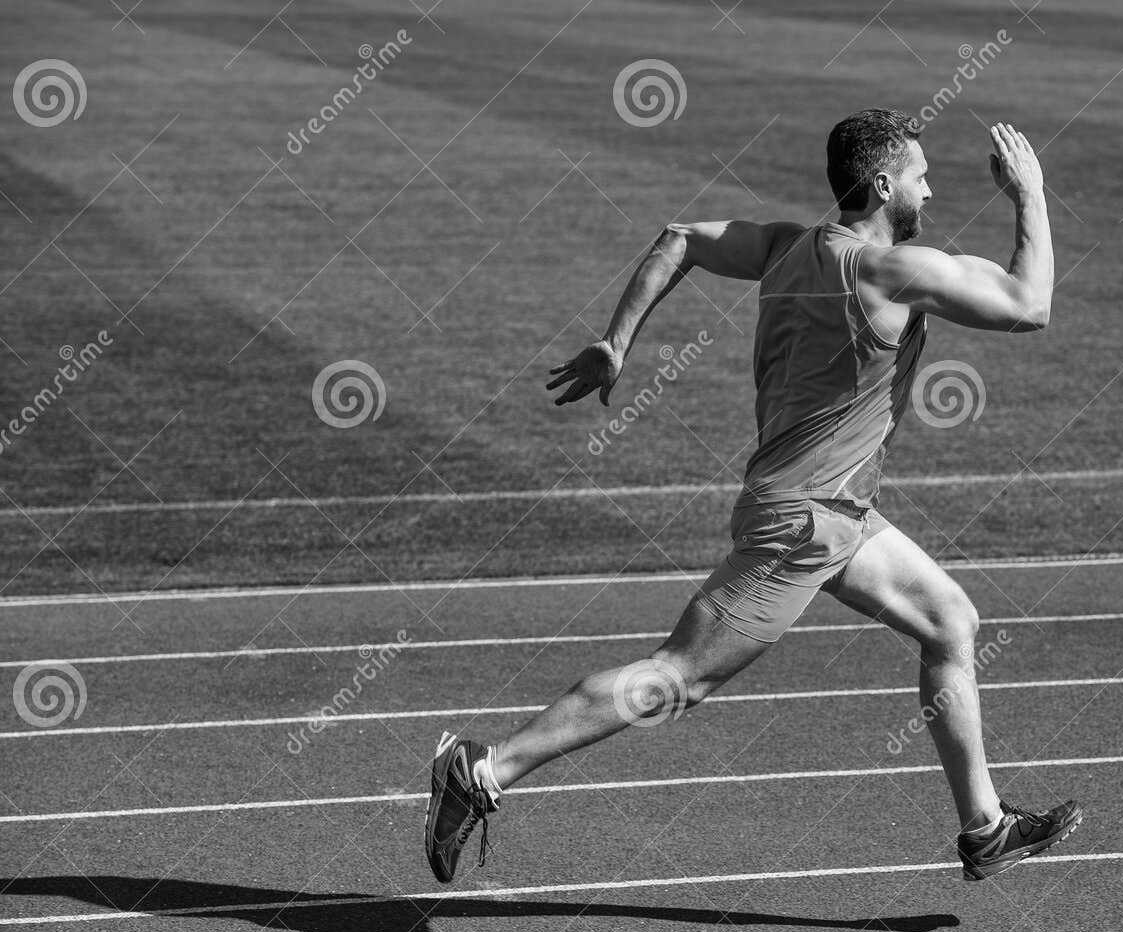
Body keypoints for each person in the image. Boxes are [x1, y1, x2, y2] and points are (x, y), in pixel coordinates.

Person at [425, 110, 1080, 885]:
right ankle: (483, 770)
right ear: (880, 185)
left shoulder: (785, 248)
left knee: (950, 623)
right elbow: (1030, 305)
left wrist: (617, 342)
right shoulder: (892, 271)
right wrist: (1029, 193)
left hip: (834, 514)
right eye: (920, 175)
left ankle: (985, 829)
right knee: (677, 679)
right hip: (802, 526)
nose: (930, 189)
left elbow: (681, 238)